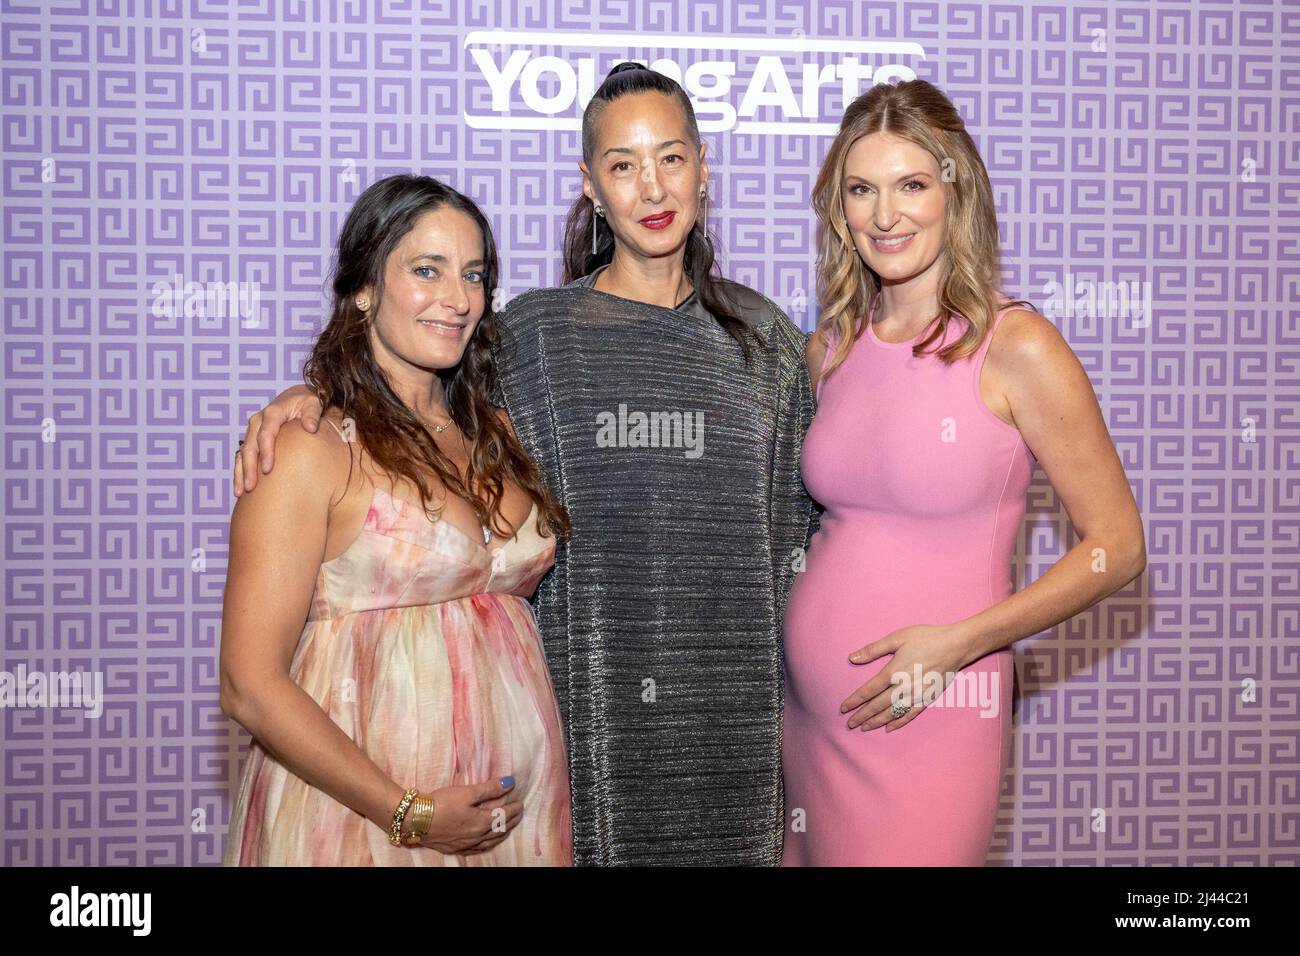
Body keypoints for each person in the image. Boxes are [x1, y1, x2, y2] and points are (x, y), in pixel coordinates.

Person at [230, 63, 816, 865]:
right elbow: (402, 381)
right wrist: (301, 397)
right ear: (590, 185)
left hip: (730, 741)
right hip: (565, 749)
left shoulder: (765, 343)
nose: (651, 186)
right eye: (622, 164)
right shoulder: (532, 338)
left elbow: (805, 541)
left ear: (704, 166)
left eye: (671, 157)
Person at [782, 79, 1147, 866]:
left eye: (912, 184)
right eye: (861, 190)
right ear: (837, 209)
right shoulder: (830, 350)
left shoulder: (1017, 345)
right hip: (808, 728)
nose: (885, 215)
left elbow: (1116, 545)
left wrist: (959, 645)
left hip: (935, 710)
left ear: (956, 193)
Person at [220, 174, 572, 865]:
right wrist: (405, 812)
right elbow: (248, 685)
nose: (457, 298)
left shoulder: (498, 428)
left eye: (473, 274)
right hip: (360, 821)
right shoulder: (310, 444)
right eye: (426, 270)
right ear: (363, 288)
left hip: (516, 818)